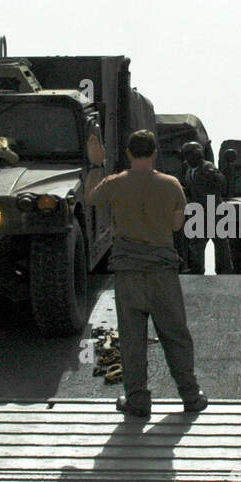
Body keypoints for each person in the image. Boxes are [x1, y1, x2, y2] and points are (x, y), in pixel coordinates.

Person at [87, 129, 208, 417]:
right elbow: (177, 225)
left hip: (128, 273)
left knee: (132, 339)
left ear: (129, 153)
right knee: (176, 335)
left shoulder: (114, 183)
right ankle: (190, 396)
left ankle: (138, 401)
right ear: (154, 153)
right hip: (161, 272)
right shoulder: (171, 185)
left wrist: (95, 164)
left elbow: (91, 197)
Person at [181, 141, 234, 275]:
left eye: (190, 154)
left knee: (220, 242)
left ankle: (224, 271)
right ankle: (197, 270)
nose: (187, 158)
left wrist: (214, 176)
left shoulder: (208, 167)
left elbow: (222, 183)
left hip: (213, 210)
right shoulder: (189, 170)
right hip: (198, 212)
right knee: (196, 243)